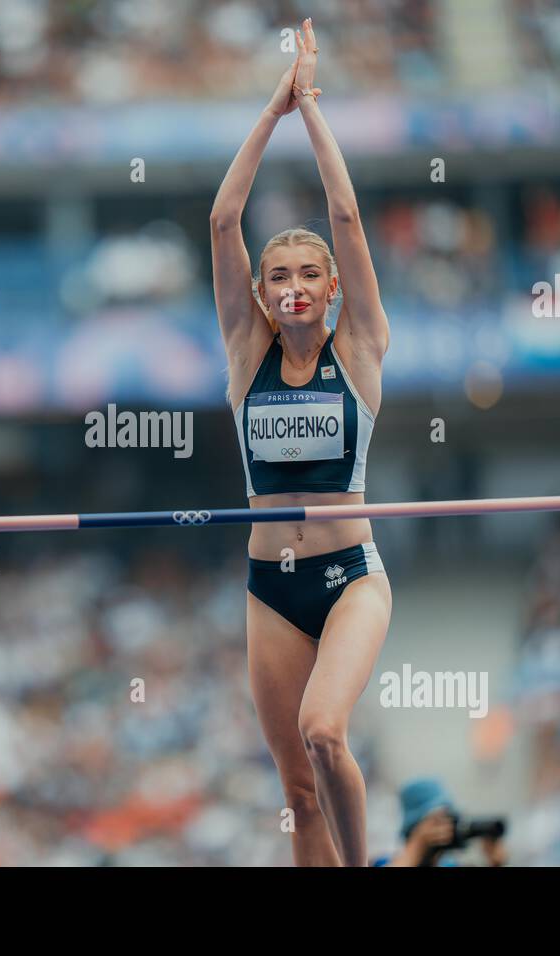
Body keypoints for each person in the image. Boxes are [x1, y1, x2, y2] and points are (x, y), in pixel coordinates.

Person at [210, 18, 392, 867]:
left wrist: (309, 106)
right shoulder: (246, 356)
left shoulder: (358, 351)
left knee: (325, 733)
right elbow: (223, 221)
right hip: (268, 586)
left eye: (306, 275)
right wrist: (268, 111)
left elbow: (347, 214)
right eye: (276, 276)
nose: (291, 288)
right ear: (261, 293)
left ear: (330, 291)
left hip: (350, 576)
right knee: (295, 792)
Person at [381, 778, 508, 867]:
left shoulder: (450, 864)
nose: (448, 827)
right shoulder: (384, 862)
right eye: (438, 821)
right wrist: (418, 844)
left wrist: (494, 864)